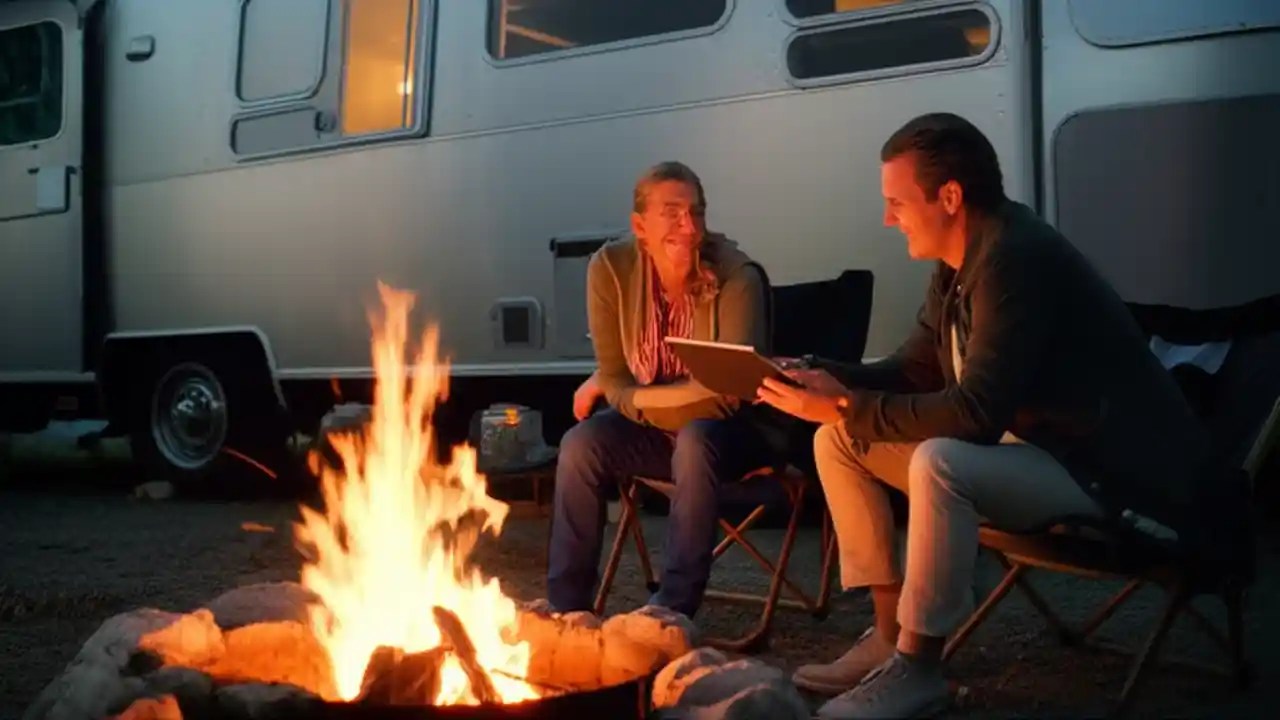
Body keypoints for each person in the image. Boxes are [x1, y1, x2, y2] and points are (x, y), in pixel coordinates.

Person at [756, 113, 1214, 719]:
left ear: (949, 197)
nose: (889, 218)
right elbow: (915, 370)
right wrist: (822, 374)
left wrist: (843, 402)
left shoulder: (1015, 259)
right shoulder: (958, 263)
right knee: (839, 440)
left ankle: (919, 670)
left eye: (897, 203)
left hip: (1111, 475)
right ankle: (892, 637)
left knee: (942, 461)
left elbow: (973, 415)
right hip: (1045, 451)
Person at [547, 160, 776, 619]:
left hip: (736, 431)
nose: (688, 227)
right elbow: (612, 374)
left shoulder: (737, 277)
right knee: (580, 444)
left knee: (694, 439)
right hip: (656, 427)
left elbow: (729, 393)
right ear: (640, 226)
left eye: (696, 212)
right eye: (671, 213)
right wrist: (630, 395)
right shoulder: (612, 269)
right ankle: (567, 610)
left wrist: (632, 400)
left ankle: (672, 610)